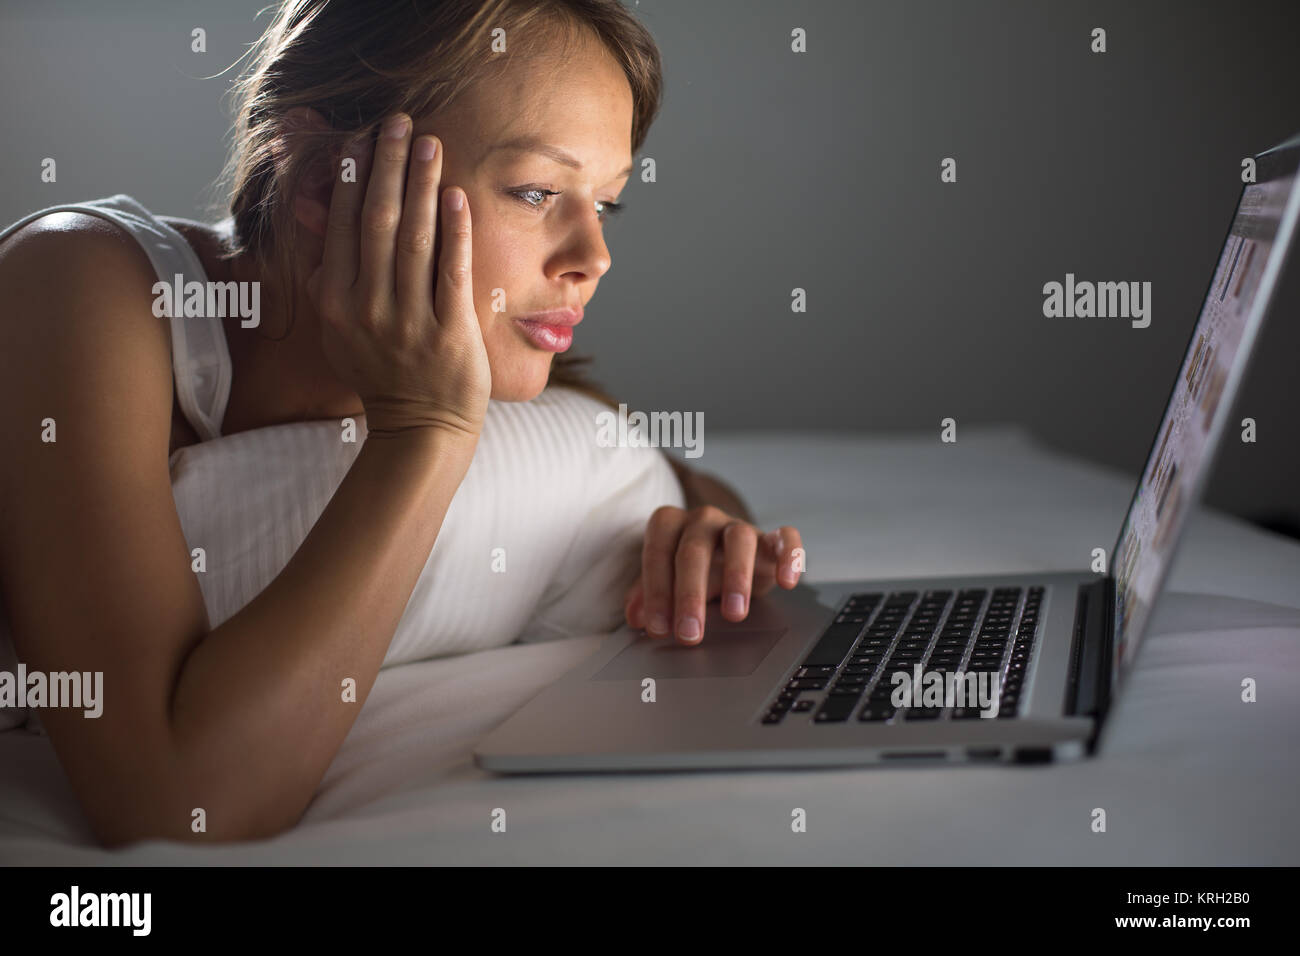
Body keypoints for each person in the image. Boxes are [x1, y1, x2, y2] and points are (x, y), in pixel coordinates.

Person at [0, 0, 803, 847]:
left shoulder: (471, 347)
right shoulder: (79, 285)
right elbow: (177, 803)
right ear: (324, 182)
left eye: (606, 204)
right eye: (535, 191)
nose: (593, 258)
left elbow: (679, 478)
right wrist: (424, 431)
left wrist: (707, 537)